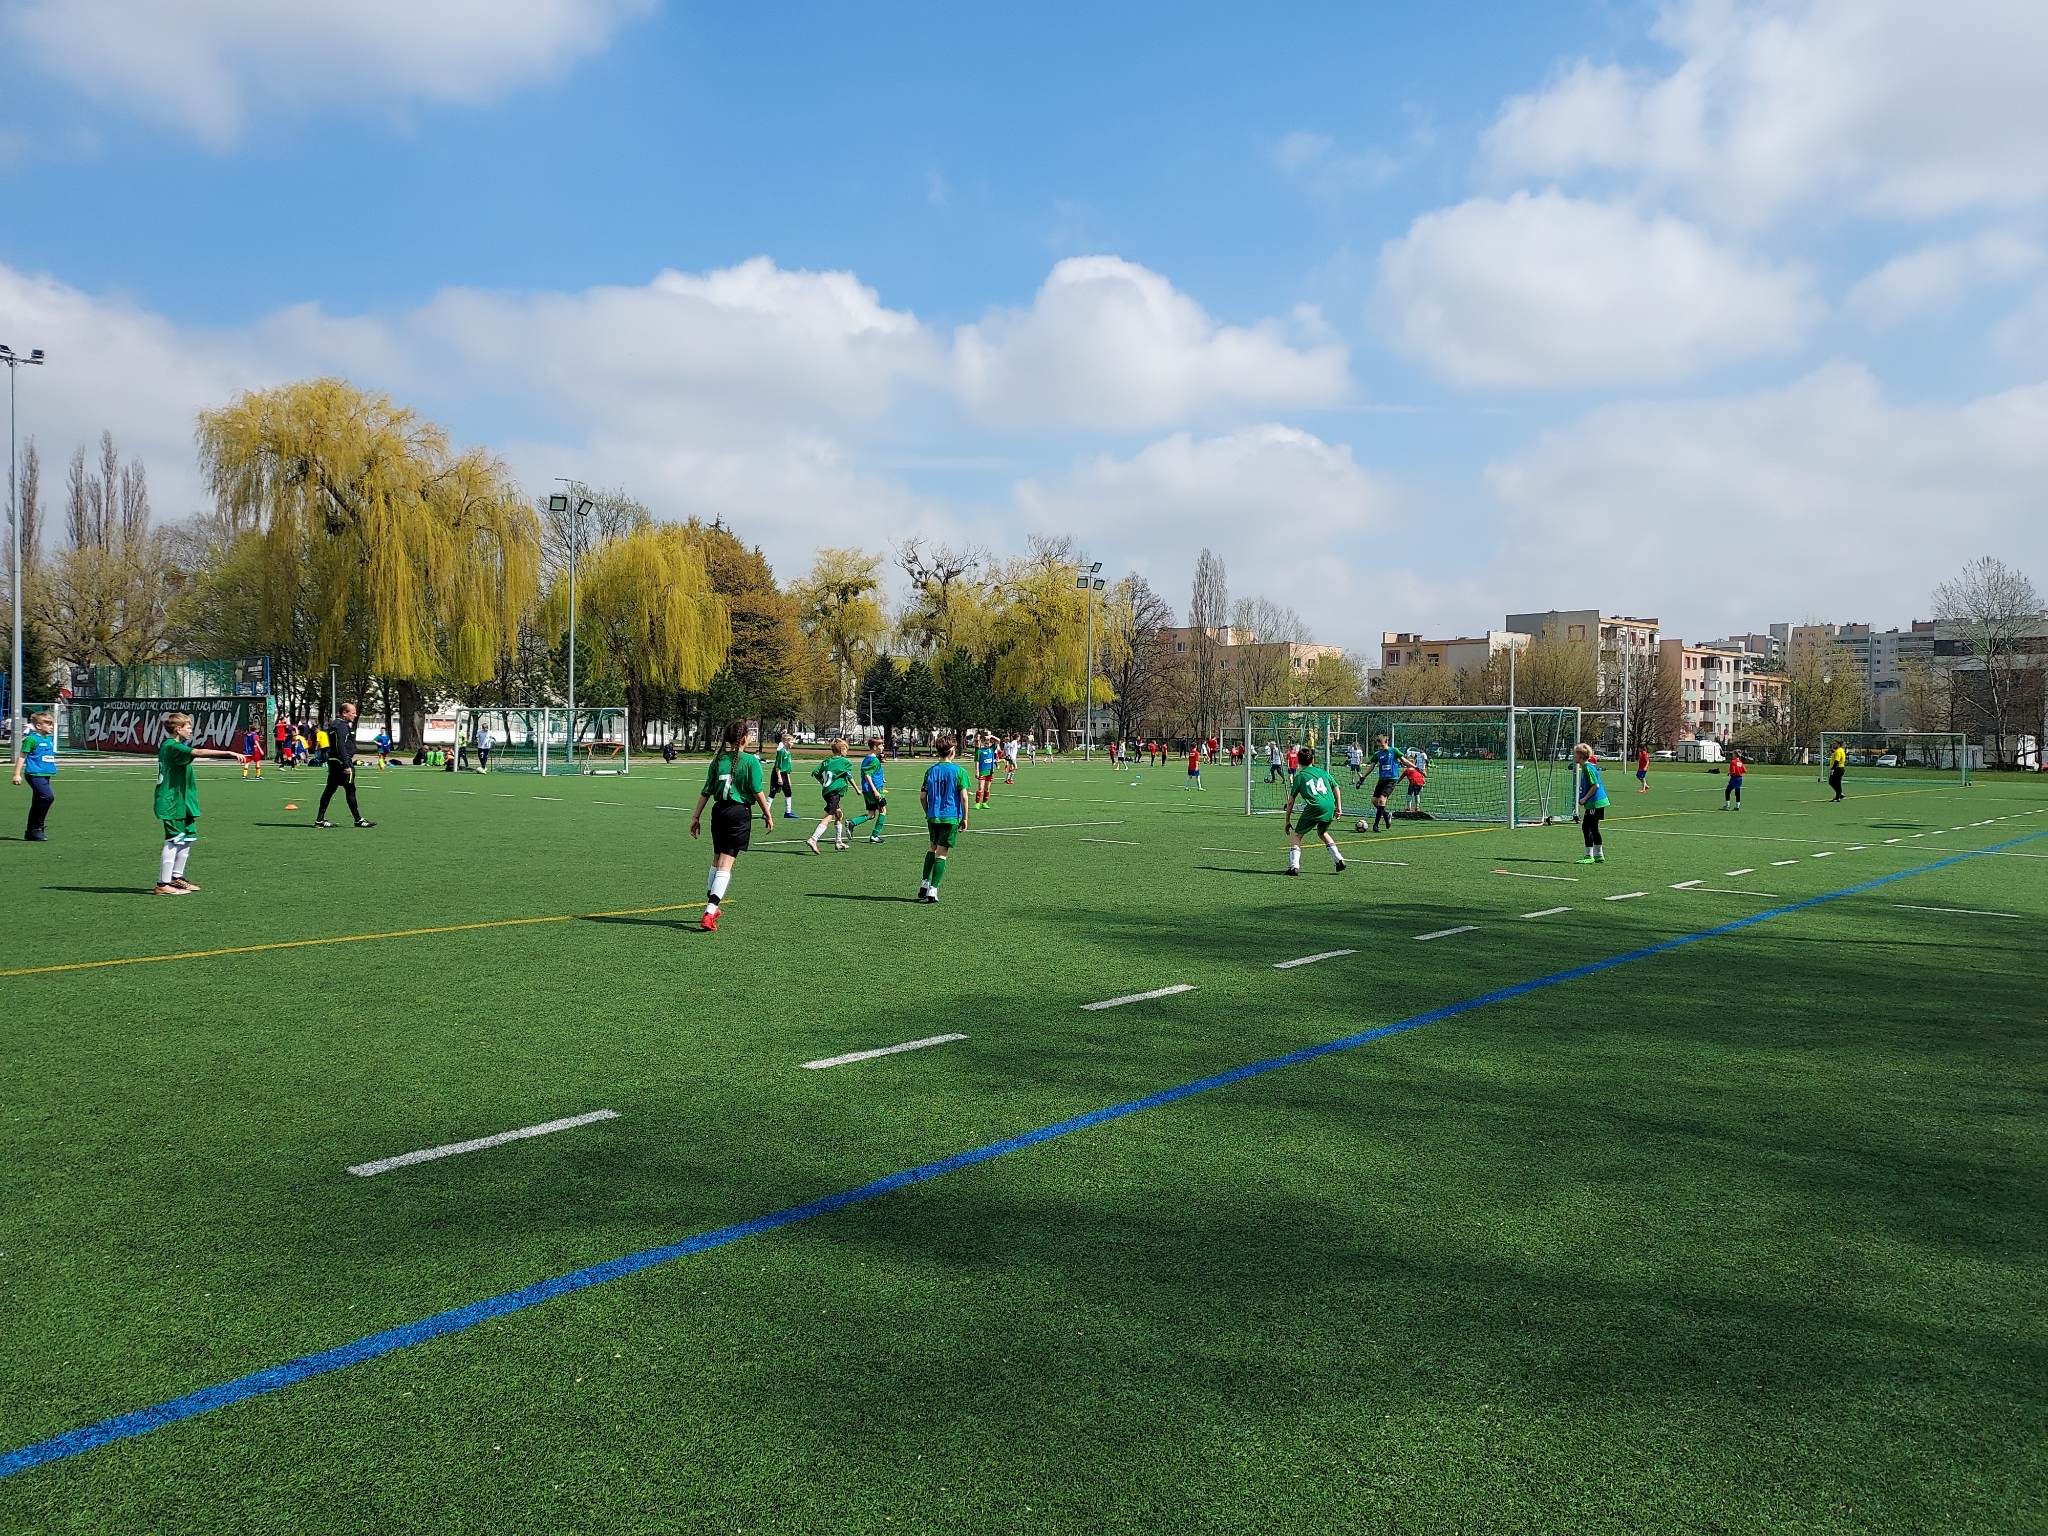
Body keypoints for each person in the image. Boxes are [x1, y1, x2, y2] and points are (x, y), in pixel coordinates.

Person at [689, 721, 774, 933]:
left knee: (717, 859)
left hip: (718, 811)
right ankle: (710, 911)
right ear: (744, 738)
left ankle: (712, 905)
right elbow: (757, 790)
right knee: (726, 862)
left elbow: (706, 790)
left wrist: (696, 817)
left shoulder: (718, 759)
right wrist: (767, 813)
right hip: (738, 813)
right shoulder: (750, 761)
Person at [152, 712, 241, 894]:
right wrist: (229, 752)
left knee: (186, 840)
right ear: (178, 729)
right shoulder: (171, 746)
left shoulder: (178, 746)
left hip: (185, 801)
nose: (191, 730)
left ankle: (176, 878)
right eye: (188, 727)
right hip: (172, 801)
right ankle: (162, 884)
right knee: (173, 841)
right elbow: (198, 752)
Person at [917, 735, 970, 903]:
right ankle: (933, 890)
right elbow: (964, 797)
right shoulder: (959, 771)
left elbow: (922, 796)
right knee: (942, 854)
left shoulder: (930, 770)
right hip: (950, 817)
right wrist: (965, 817)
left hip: (933, 816)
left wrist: (928, 811)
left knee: (932, 848)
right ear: (952, 751)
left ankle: (924, 883)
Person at [1283, 744, 1347, 877]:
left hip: (1314, 806)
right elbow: (1336, 787)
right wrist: (1338, 807)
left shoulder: (1300, 777)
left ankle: (1294, 866)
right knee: (1323, 832)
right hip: (1329, 806)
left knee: (1297, 835)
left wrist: (1287, 820)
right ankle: (1339, 860)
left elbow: (1291, 801)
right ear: (1313, 760)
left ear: (1298, 761)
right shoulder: (1323, 773)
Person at [314, 703, 376, 829]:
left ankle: (319, 820)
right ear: (344, 713)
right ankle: (358, 819)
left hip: (334, 761)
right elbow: (340, 746)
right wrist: (346, 764)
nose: (355, 715)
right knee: (350, 790)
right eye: (352, 713)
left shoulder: (335, 725)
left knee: (330, 790)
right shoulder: (340, 726)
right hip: (342, 763)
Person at [14, 710, 58, 841]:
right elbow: (22, 756)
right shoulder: (31, 739)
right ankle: (38, 826)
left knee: (38, 801)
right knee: (47, 797)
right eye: (48, 723)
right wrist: (17, 774)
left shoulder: (48, 739)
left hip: (45, 774)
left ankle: (32, 831)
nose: (51, 726)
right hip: (34, 774)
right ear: (38, 726)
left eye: (52, 723)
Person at [807, 738, 855, 853]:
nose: (847, 752)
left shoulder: (826, 761)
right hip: (834, 793)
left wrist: (823, 783)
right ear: (842, 750)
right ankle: (813, 839)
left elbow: (816, 773)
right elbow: (848, 775)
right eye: (846, 750)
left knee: (839, 815)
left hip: (826, 792)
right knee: (829, 816)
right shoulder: (845, 762)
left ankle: (838, 842)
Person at [1367, 735, 1411, 832]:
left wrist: (1415, 767)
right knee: (1374, 800)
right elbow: (1372, 766)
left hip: (1392, 779)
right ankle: (1386, 815)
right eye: (1379, 746)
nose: (1380, 748)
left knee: (1381, 801)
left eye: (1382, 746)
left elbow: (1404, 761)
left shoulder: (1394, 751)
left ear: (1387, 742)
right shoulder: (1378, 754)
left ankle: (1376, 825)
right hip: (1382, 779)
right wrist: (1362, 777)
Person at [850, 737, 889, 843]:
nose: (882, 747)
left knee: (871, 814)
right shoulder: (874, 760)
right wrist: (875, 791)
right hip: (874, 789)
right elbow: (868, 775)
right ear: (875, 747)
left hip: (867, 790)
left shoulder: (867, 758)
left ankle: (852, 823)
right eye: (881, 745)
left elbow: (868, 772)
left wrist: (882, 778)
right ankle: (875, 836)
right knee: (883, 810)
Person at [1574, 743, 1608, 864]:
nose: (1574, 756)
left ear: (1581, 755)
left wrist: (1584, 799)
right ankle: (1599, 855)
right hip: (1597, 802)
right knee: (1594, 828)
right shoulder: (1586, 767)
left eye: (1575, 754)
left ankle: (1589, 856)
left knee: (1586, 827)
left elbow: (1595, 786)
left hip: (1595, 802)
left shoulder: (1588, 768)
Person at [770, 732, 797, 819]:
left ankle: (788, 812)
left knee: (788, 792)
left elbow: (787, 768)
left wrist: (788, 779)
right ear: (786, 742)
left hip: (784, 774)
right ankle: (765, 811)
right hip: (778, 774)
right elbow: (778, 766)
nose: (793, 743)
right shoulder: (781, 752)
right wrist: (779, 778)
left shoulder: (788, 753)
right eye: (791, 742)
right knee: (773, 792)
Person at [973, 734, 999, 805]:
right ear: (983, 742)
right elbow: (977, 762)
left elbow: (998, 740)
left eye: (989, 742)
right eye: (986, 742)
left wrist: (991, 736)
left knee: (987, 789)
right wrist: (977, 771)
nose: (987, 743)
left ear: (991, 743)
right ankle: (977, 803)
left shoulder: (992, 749)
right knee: (980, 788)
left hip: (990, 772)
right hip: (982, 772)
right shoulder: (979, 751)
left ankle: (984, 803)